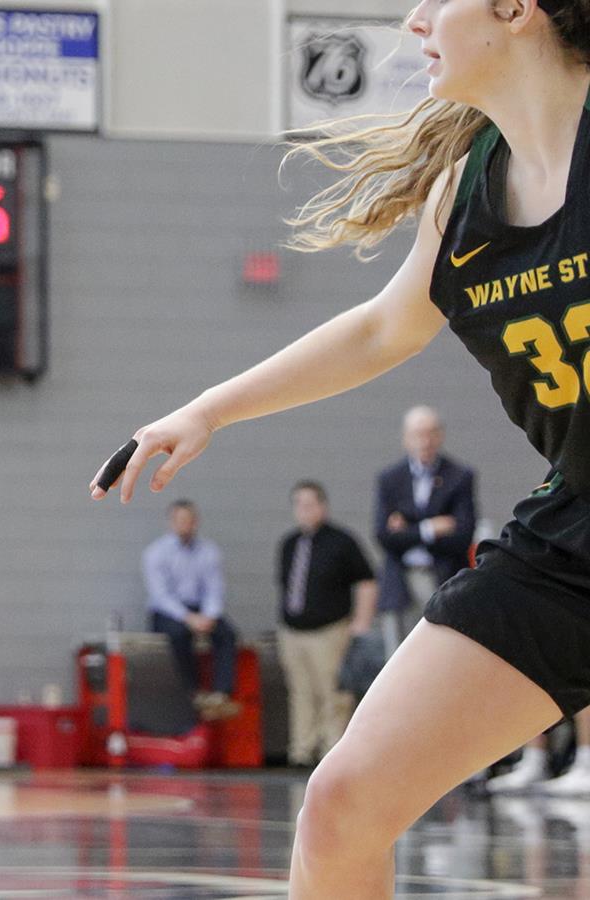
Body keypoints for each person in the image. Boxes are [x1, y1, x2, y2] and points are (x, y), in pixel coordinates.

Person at [92, 0, 590, 894]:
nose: (413, 20)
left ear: (515, 10)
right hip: (572, 537)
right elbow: (378, 332)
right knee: (344, 802)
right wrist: (210, 409)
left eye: (438, 0)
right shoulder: (463, 195)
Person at [276, 481, 378, 767]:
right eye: (298, 505)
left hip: (329, 630)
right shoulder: (289, 543)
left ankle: (332, 751)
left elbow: (366, 581)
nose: (304, 511)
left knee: (333, 692)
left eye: (309, 504)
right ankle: (301, 750)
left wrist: (361, 622)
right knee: (301, 692)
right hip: (293, 631)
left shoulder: (342, 542)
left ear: (322, 506)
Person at [374, 405, 477, 649]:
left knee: (442, 651)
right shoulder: (390, 478)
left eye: (430, 433)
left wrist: (407, 527)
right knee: (397, 656)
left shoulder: (459, 476)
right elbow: (384, 536)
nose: (425, 441)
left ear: (440, 435)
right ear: (406, 438)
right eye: (418, 434)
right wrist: (430, 528)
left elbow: (463, 534)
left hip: (442, 575)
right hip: (401, 578)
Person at [141, 499, 241, 720]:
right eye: (179, 520)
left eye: (188, 520)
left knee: (227, 634)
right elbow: (160, 596)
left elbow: (214, 589)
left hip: (201, 608)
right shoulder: (156, 552)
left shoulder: (209, 551)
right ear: (171, 522)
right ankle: (195, 692)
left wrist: (209, 615)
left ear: (195, 522)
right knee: (179, 633)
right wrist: (189, 618)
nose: (184, 525)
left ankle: (221, 693)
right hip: (169, 611)